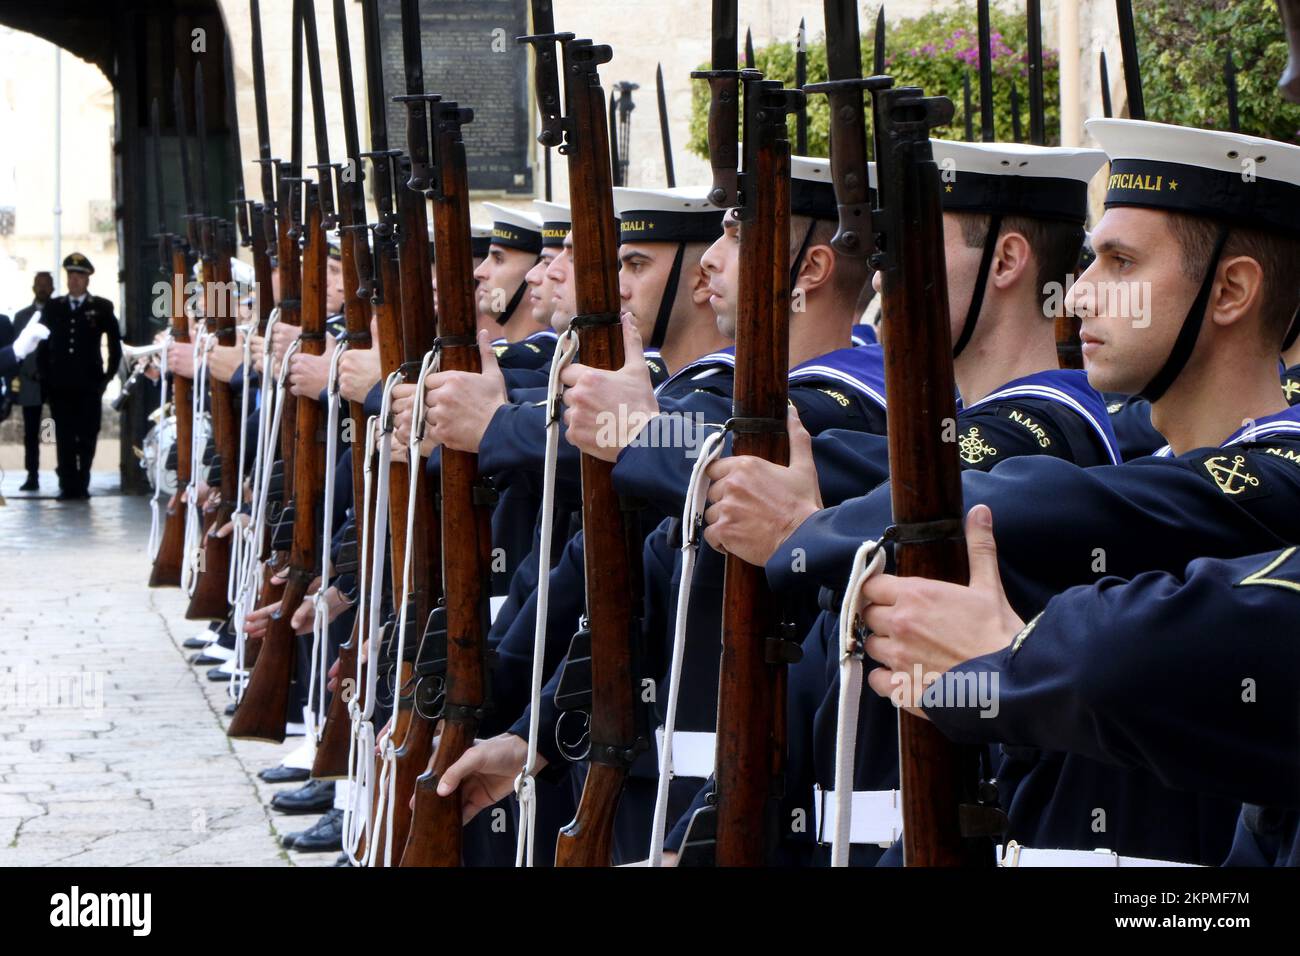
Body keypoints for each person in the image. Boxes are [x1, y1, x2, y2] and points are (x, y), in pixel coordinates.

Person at [36, 253, 122, 500]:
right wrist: (45, 377)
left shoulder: (101, 307)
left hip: (89, 385)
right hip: (60, 385)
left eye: (79, 276)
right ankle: (67, 483)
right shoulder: (54, 307)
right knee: (63, 435)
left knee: (87, 434)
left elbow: (114, 345)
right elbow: (42, 345)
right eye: (70, 276)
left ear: (87, 279)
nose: (74, 281)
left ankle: (82, 481)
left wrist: (107, 378)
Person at [11, 271, 54, 490]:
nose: (43, 289)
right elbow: (15, 353)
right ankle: (32, 475)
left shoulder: (59, 313)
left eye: (47, 285)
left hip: (55, 383)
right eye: (39, 284)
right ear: (33, 287)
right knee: (30, 433)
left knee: (62, 430)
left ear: (53, 288)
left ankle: (67, 474)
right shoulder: (20, 317)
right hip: (30, 383)